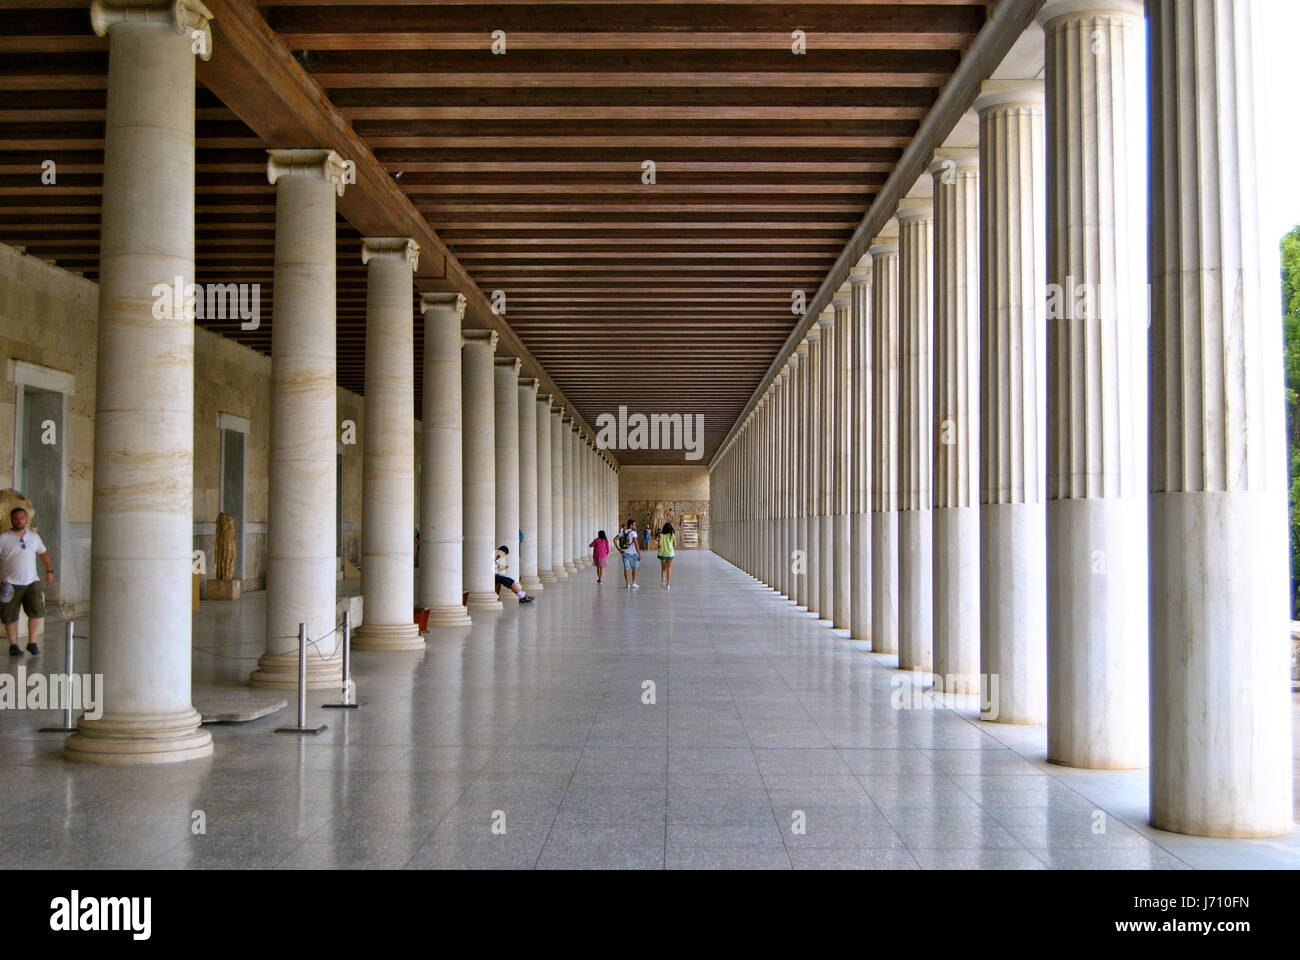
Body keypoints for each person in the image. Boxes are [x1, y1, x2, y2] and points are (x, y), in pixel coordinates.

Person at [1, 507, 54, 656]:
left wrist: (49, 570)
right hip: (9, 583)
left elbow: (43, 553)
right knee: (9, 615)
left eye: (22, 518)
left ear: (26, 519)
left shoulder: (34, 537)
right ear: (11, 520)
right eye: (16, 518)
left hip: (32, 581)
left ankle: (32, 642)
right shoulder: (3, 537)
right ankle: (13, 644)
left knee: (36, 612)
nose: (19, 520)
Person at [616, 519, 640, 589]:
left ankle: (627, 584)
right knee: (635, 568)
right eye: (634, 525)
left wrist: (618, 549)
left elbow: (614, 540)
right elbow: (636, 544)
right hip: (633, 553)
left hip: (624, 552)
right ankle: (633, 583)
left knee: (626, 568)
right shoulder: (633, 533)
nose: (635, 526)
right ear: (631, 525)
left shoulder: (623, 532)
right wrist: (639, 554)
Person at [657, 521, 676, 589]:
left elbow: (659, 544)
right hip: (670, 553)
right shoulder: (672, 535)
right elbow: (674, 544)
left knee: (663, 568)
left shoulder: (661, 535)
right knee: (669, 568)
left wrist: (659, 545)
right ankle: (668, 585)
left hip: (663, 553)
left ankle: (663, 579)